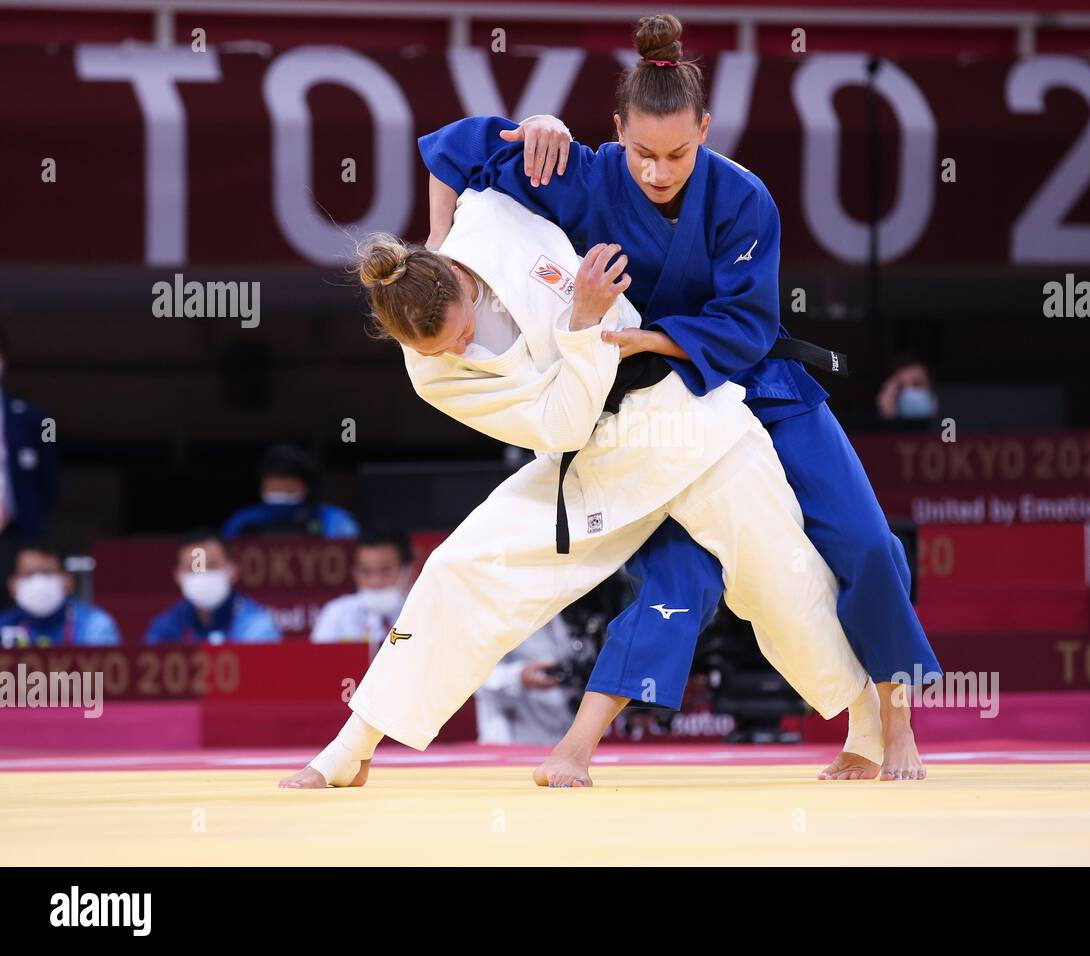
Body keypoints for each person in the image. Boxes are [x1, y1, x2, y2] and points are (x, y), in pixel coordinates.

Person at [416, 13, 939, 783]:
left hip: (759, 384)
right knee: (677, 577)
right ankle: (574, 751)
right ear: (616, 129)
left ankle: (893, 729)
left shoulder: (744, 197)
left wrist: (642, 341)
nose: (660, 171)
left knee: (866, 542)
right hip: (662, 418)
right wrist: (440, 248)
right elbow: (451, 151)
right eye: (643, 153)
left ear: (707, 129)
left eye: (679, 154)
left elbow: (746, 321)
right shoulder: (579, 171)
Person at [278, 185, 881, 789]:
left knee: (781, 575)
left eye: (458, 332)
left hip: (690, 422)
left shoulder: (490, 219)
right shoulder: (430, 375)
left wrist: (545, 122)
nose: (457, 351)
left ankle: (868, 726)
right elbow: (562, 425)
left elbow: (469, 148)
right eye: (435, 349)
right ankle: (352, 746)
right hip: (592, 464)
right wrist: (583, 322)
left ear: (460, 279)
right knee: (459, 567)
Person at [0, 329, 60, 602]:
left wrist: (31, 518)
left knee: (23, 614)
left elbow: (48, 481)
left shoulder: (36, 419)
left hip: (21, 535)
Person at [145, 531, 281, 644]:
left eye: (212, 566)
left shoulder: (257, 627)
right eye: (193, 568)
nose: (202, 575)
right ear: (178, 576)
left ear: (232, 570)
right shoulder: (164, 627)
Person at [475, 616, 577, 745]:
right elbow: (477, 679)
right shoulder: (493, 614)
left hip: (564, 737)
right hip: (511, 742)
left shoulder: (568, 613)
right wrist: (519, 676)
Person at [222, 444, 359, 539]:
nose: (280, 495)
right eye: (273, 490)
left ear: (307, 488)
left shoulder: (336, 521)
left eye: (288, 490)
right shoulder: (242, 522)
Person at [0, 543, 120, 647]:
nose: (39, 582)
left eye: (47, 573)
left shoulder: (95, 625)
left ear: (68, 581)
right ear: (12, 584)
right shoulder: (3, 626)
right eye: (29, 574)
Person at [311, 529, 412, 644]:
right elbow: (319, 659)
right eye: (366, 571)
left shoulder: (422, 612)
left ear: (407, 571)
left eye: (386, 571)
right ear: (355, 574)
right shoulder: (337, 614)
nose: (376, 582)